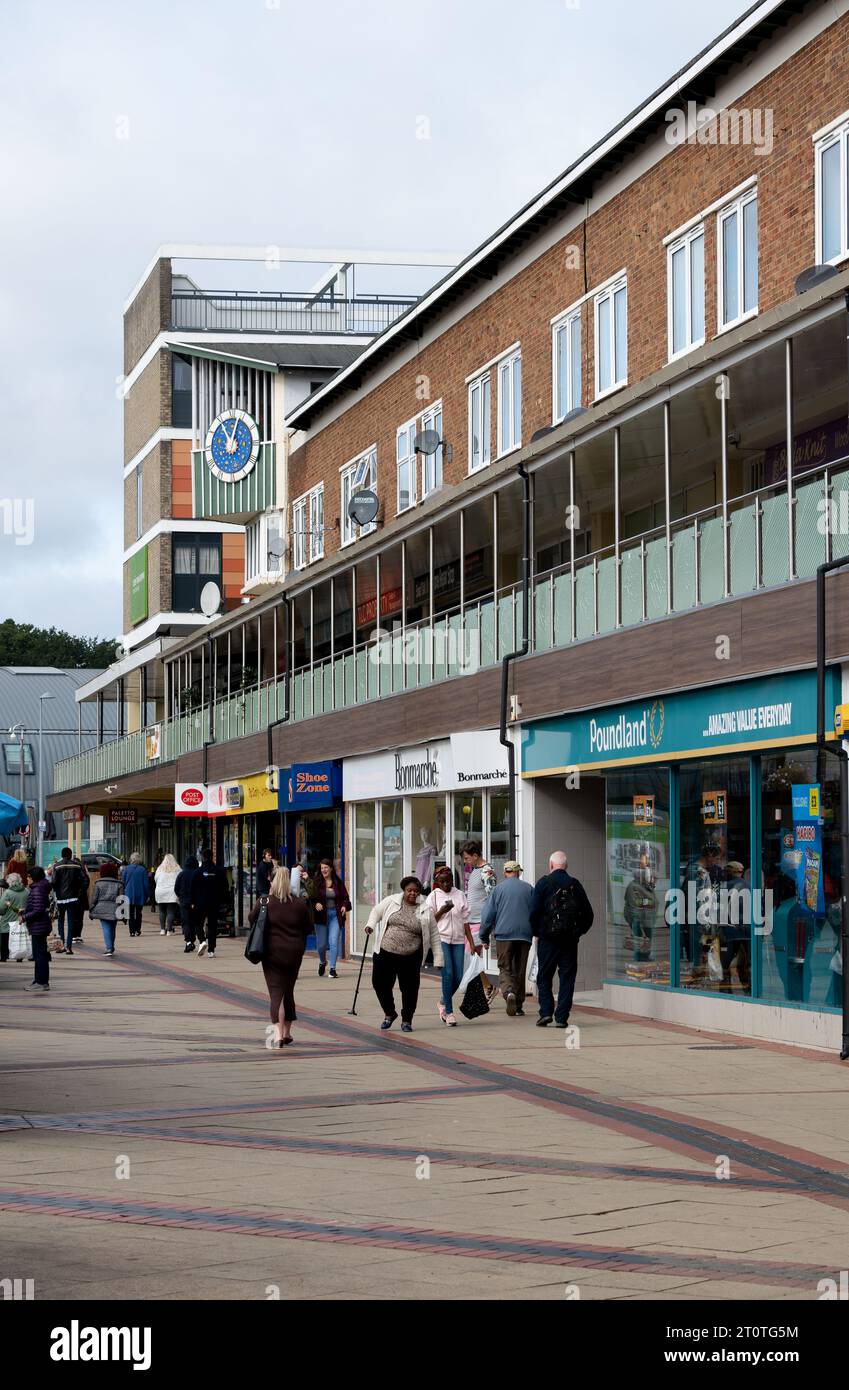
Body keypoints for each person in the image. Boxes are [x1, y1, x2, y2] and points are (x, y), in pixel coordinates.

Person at [367, 875, 443, 1032]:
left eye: (416, 891)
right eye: (409, 890)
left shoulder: (425, 909)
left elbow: (434, 935)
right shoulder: (392, 901)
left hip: (410, 956)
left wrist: (438, 959)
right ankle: (389, 1013)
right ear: (404, 890)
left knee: (409, 989)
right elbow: (376, 911)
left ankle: (407, 1020)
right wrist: (370, 925)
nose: (412, 894)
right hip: (385, 952)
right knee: (379, 984)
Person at [529, 851, 594, 1029]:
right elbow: (588, 914)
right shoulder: (575, 885)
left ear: (551, 865)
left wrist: (537, 933)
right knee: (567, 978)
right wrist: (578, 932)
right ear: (566, 866)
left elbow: (534, 912)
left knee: (544, 976)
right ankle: (562, 1017)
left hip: (547, 939)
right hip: (569, 941)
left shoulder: (543, 883)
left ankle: (546, 1012)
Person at [249, 865, 312, 1047]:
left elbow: (251, 919)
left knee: (276, 993)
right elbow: (308, 928)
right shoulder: (299, 904)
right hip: (294, 953)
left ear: (273, 881)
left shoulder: (264, 902)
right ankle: (287, 1033)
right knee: (288, 991)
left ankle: (277, 1034)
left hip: (272, 954)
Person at [479, 860, 534, 1017]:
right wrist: (537, 932)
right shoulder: (529, 889)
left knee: (505, 967)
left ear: (505, 872)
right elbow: (536, 912)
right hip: (524, 935)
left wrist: (484, 936)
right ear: (519, 872)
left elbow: (488, 915)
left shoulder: (498, 890)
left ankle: (508, 992)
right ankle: (518, 1004)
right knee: (520, 969)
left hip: (504, 934)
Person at [426, 865, 476, 1026]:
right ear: (437, 882)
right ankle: (449, 1012)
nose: (446, 884)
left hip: (459, 940)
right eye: (442, 882)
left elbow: (466, 921)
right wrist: (442, 910)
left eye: (449, 881)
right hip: (441, 939)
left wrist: (472, 943)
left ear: (453, 881)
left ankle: (442, 1001)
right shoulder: (433, 896)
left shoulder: (460, 894)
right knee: (447, 975)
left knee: (459, 976)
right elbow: (429, 921)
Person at [461, 841, 497, 1002]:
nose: (465, 861)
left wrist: (488, 925)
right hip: (471, 920)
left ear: (476, 855)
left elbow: (492, 897)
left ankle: (486, 987)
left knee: (470, 955)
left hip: (480, 921)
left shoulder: (487, 871)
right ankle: (487, 987)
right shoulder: (475, 870)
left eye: (467, 858)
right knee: (472, 956)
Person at [313, 858, 351, 977]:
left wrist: (344, 906)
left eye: (326, 867)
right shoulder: (317, 882)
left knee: (333, 941)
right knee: (321, 945)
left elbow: (345, 897)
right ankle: (323, 962)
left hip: (335, 915)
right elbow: (310, 896)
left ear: (330, 869)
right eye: (322, 868)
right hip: (321, 916)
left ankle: (332, 969)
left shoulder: (338, 882)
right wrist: (315, 903)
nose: (323, 870)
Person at [191, 849, 228, 958]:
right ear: (212, 857)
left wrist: (193, 901)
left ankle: (202, 941)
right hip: (214, 903)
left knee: (198, 923)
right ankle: (211, 950)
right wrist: (222, 900)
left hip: (200, 903)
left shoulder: (197, 872)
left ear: (203, 857)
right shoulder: (219, 871)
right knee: (212, 926)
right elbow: (224, 887)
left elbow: (192, 888)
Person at [51, 847, 88, 955]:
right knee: (71, 921)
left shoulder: (57, 866)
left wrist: (56, 891)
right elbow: (85, 880)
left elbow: (54, 882)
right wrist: (80, 892)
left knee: (61, 921)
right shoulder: (76, 865)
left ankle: (62, 945)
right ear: (71, 855)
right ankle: (69, 947)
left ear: (62, 855)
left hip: (61, 899)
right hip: (73, 898)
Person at [22, 866, 51, 991]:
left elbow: (38, 909)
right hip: (40, 925)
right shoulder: (40, 888)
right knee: (40, 954)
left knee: (39, 955)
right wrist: (25, 910)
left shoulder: (37, 889)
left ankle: (41, 982)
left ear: (34, 877)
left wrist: (25, 917)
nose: (27, 879)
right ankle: (39, 980)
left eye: (28, 876)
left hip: (38, 926)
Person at [89, 861, 122, 956]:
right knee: (113, 928)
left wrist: (91, 909)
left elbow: (94, 898)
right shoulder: (119, 884)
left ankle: (109, 948)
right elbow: (121, 899)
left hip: (101, 909)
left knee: (106, 928)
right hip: (115, 909)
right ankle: (111, 946)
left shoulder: (98, 884)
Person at [175, 854, 201, 953]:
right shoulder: (197, 873)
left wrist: (181, 897)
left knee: (185, 922)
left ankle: (189, 941)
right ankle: (193, 939)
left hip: (184, 901)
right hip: (195, 902)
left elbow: (176, 888)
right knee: (194, 922)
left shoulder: (182, 874)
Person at [0, 871, 28, 963]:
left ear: (10, 882)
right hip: (22, 920)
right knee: (20, 937)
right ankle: (19, 956)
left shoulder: (7, 893)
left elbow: (1, 909)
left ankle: (4, 956)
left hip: (7, 922)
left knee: (4, 937)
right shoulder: (26, 891)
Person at [121, 853, 149, 937]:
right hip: (140, 894)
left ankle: (132, 931)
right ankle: (138, 930)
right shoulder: (142, 869)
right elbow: (146, 884)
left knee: (131, 913)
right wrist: (147, 895)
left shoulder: (126, 869)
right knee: (139, 913)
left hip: (129, 893)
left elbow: (123, 882)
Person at [154, 853, 180, 935]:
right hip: (172, 892)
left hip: (160, 891)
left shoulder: (160, 868)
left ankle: (162, 929)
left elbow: (156, 879)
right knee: (171, 911)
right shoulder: (177, 868)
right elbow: (180, 879)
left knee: (162, 911)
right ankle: (169, 930)